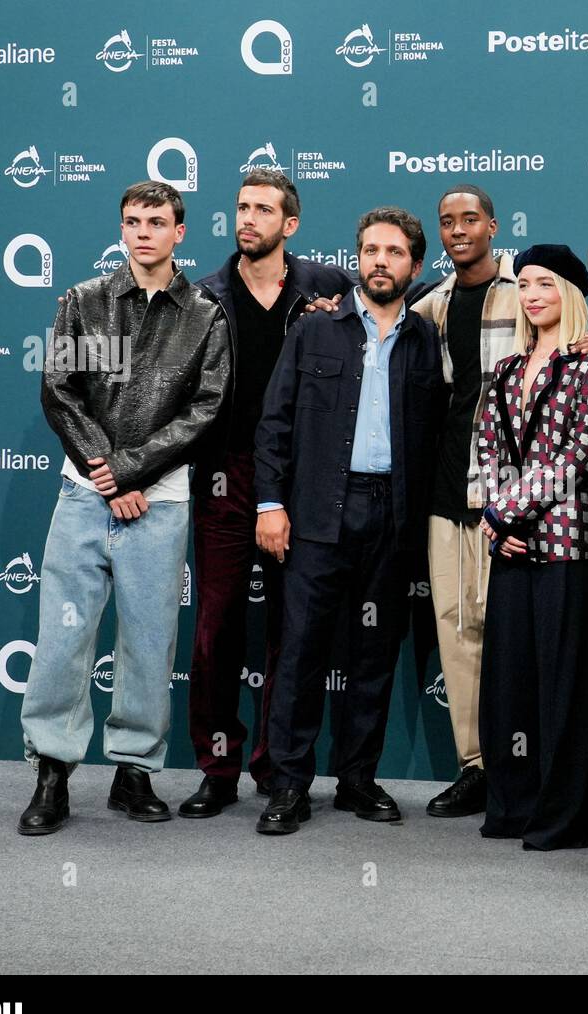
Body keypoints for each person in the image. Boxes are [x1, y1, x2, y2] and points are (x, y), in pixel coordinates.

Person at [18, 180, 231, 834]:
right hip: (85, 494)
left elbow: (206, 408)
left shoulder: (205, 314)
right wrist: (109, 475)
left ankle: (134, 771)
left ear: (179, 232)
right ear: (121, 229)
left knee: (147, 640)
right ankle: (52, 771)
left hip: (159, 501)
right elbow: (60, 391)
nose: (143, 232)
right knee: (63, 637)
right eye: (133, 221)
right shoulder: (83, 302)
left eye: (156, 221)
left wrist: (133, 469)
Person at [412, 186, 588, 819]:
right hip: (455, 492)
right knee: (460, 633)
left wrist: (503, 511)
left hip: (533, 520)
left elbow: (574, 448)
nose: (458, 230)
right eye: (447, 221)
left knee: (522, 649)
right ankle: (479, 768)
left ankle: (534, 779)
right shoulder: (430, 305)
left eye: (470, 219)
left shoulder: (536, 304)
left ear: (493, 226)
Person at [253, 207, 446, 835]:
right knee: (300, 653)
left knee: (374, 655)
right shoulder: (316, 329)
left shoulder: (426, 339)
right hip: (316, 512)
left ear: (415, 266)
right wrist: (270, 504)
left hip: (392, 516)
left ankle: (358, 779)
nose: (380, 262)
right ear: (357, 257)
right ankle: (288, 784)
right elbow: (275, 421)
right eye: (370, 251)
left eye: (394, 252)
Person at [178, 170, 354, 819]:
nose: (247, 219)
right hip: (225, 476)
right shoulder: (205, 295)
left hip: (302, 478)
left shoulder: (328, 288)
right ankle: (218, 768)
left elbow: (397, 308)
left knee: (294, 632)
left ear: (291, 224)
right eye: (242, 207)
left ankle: (281, 769)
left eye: (262, 209)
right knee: (215, 629)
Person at [475, 244, 588, 849]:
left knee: (564, 685)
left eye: (545, 284)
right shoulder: (504, 369)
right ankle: (513, 806)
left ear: (570, 294)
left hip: (566, 543)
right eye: (524, 284)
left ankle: (564, 817)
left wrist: (505, 513)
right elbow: (487, 447)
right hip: (509, 545)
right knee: (509, 680)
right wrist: (499, 523)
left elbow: (577, 454)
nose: (532, 295)